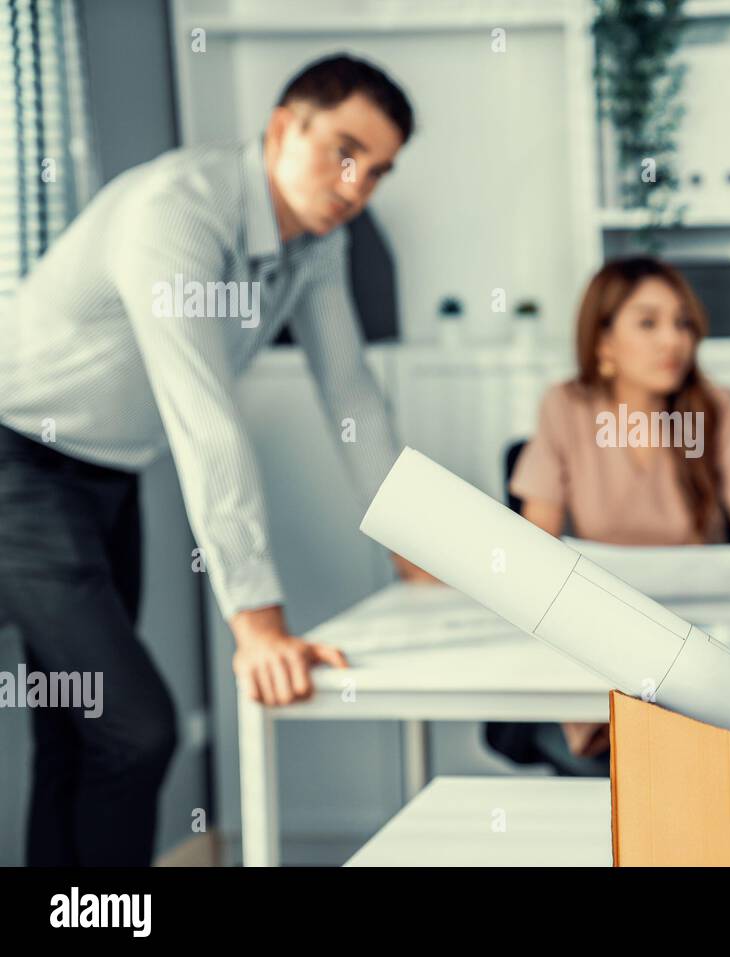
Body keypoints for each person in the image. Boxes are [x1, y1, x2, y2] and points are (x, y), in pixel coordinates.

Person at [0, 54, 432, 866]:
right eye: (343, 152)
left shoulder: (315, 241)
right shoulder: (178, 211)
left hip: (106, 472)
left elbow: (353, 397)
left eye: (375, 172)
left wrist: (415, 551)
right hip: (16, 463)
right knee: (136, 728)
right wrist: (259, 625)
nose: (355, 185)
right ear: (283, 127)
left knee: (78, 732)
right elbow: (205, 417)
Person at [499, 256, 730, 770]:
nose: (673, 341)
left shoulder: (716, 407)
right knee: (638, 757)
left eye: (682, 323)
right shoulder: (565, 408)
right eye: (648, 323)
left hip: (699, 635)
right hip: (600, 635)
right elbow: (533, 556)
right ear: (602, 342)